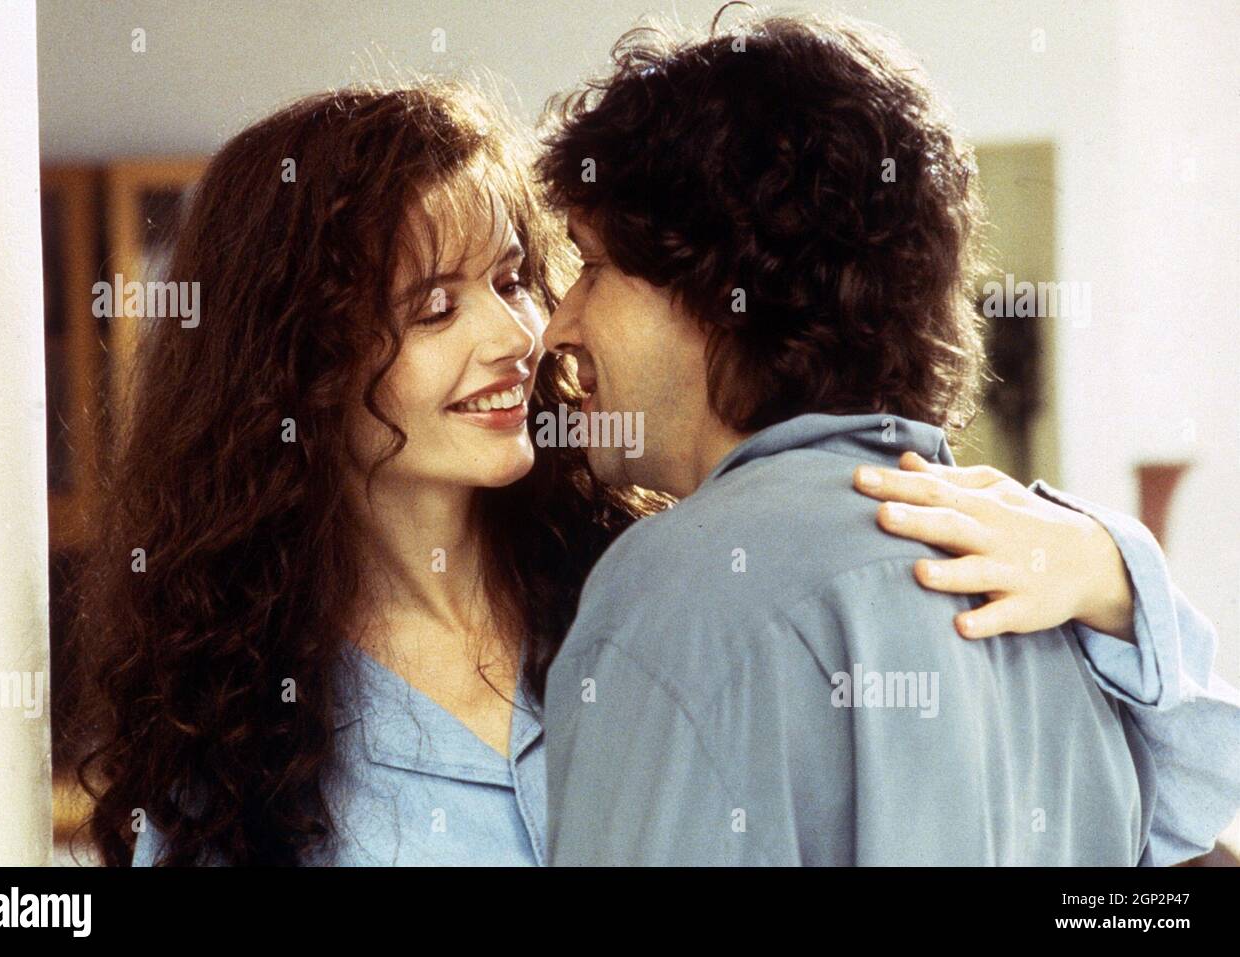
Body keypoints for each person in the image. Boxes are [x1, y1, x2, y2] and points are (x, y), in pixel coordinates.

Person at [73, 79, 1223, 868]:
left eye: (519, 278)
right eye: (435, 307)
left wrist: (1119, 573)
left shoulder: (671, 577)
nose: (517, 335)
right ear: (298, 369)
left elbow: (1173, 816)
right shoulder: (238, 729)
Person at [535, 12, 1240, 865]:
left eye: (593, 266)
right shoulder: (1048, 605)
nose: (558, 326)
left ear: (716, 286)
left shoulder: (679, 590)